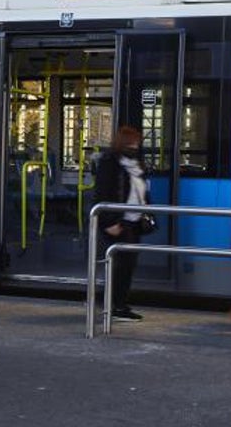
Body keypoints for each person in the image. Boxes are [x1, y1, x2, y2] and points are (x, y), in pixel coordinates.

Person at [94, 126, 149, 322]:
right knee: (121, 266)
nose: (136, 146)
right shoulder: (110, 163)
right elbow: (103, 193)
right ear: (122, 143)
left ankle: (114, 303)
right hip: (118, 222)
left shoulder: (136, 164)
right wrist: (109, 222)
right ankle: (116, 306)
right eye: (132, 143)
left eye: (137, 143)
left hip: (134, 221)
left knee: (127, 266)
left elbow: (141, 191)